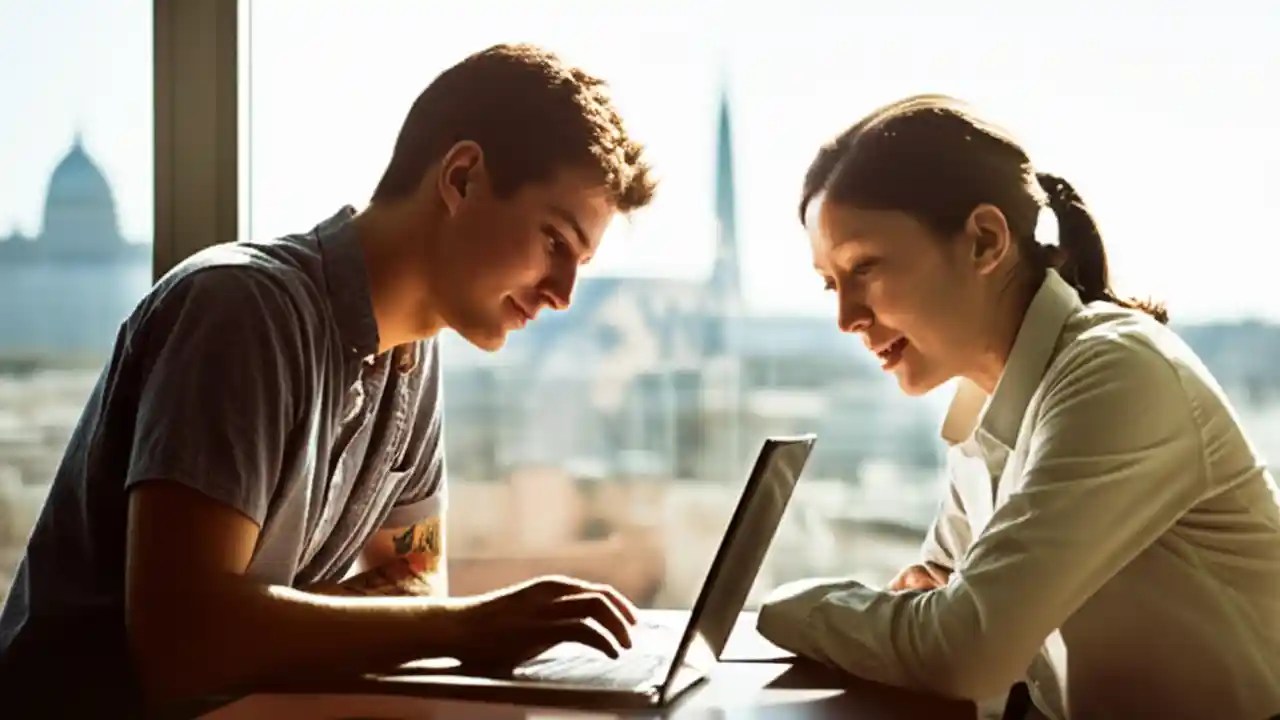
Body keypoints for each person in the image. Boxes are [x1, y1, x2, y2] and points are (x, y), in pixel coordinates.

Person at [0, 43, 656, 716]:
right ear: (461, 178)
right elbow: (183, 646)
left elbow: (415, 582)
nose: (565, 294)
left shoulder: (412, 358)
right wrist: (468, 627)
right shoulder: (240, 312)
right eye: (554, 241)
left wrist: (273, 619)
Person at [756, 95, 1280, 719]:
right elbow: (935, 596)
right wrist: (940, 616)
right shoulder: (988, 404)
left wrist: (794, 606)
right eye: (830, 284)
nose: (846, 317)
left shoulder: (1117, 373)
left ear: (984, 241)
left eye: (865, 267)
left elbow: (962, 648)